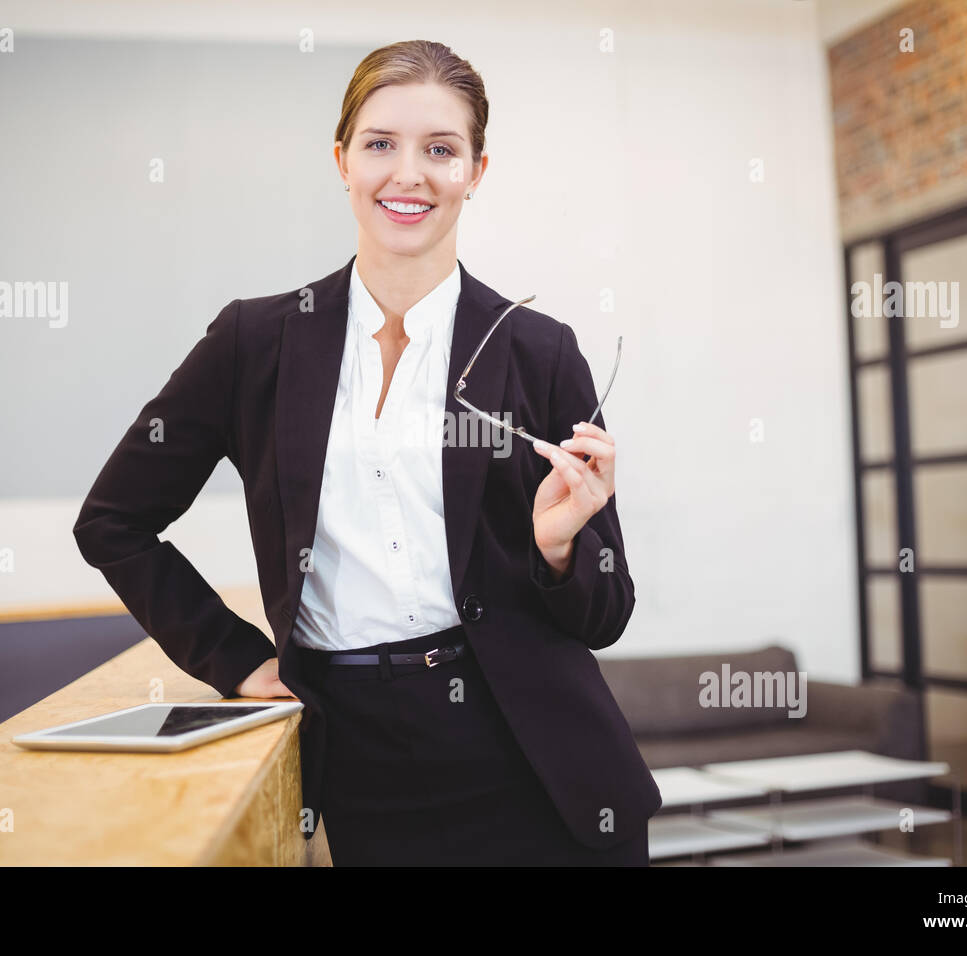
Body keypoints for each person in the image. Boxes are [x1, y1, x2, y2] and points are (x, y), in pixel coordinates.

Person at [73, 39, 660, 866]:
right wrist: (235, 659)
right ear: (342, 160)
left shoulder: (539, 349)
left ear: (476, 171)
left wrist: (560, 549)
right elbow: (113, 523)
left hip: (541, 763)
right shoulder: (255, 341)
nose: (408, 175)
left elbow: (608, 612)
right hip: (358, 761)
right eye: (381, 144)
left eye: (441, 150)